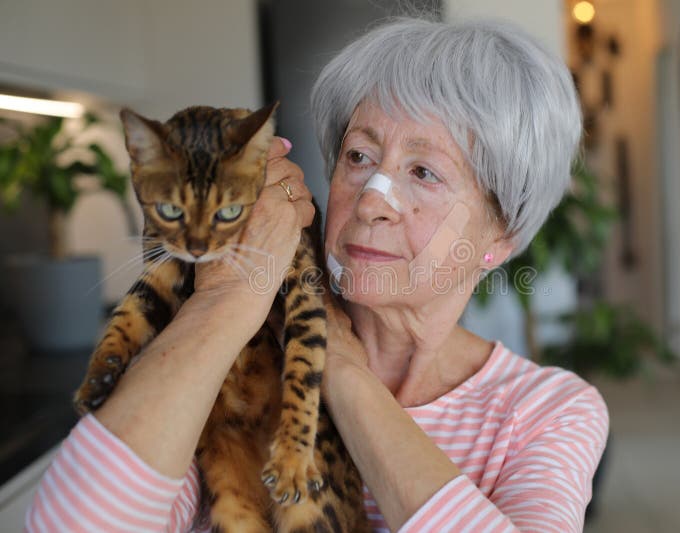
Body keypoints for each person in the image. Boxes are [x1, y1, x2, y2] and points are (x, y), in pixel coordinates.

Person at [25, 17, 609, 533]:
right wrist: (228, 298)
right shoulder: (229, 353)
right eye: (359, 156)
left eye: (424, 172)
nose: (372, 200)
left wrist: (346, 375)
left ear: (501, 236)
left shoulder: (547, 413)